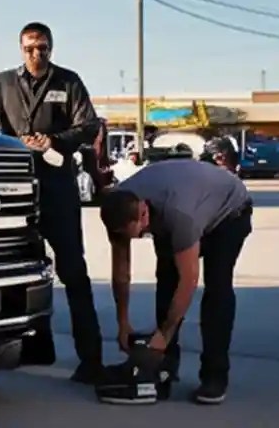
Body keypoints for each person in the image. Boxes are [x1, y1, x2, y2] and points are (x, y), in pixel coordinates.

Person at [0, 21, 104, 383]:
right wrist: (6, 144)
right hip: (15, 193)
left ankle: (92, 359)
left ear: (51, 48)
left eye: (42, 47)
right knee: (22, 273)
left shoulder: (68, 82)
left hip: (57, 189)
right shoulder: (3, 83)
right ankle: (36, 346)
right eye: (30, 48)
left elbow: (88, 126)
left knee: (73, 272)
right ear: (20, 49)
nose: (36, 54)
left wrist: (52, 141)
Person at [98, 154, 254, 405]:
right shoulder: (117, 206)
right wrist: (123, 323)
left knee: (217, 287)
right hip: (183, 198)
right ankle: (162, 369)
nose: (139, 239)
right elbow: (121, 274)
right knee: (165, 282)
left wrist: (166, 333)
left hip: (229, 212)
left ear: (143, 214)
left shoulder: (179, 215)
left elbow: (189, 280)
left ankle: (214, 376)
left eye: (140, 234)